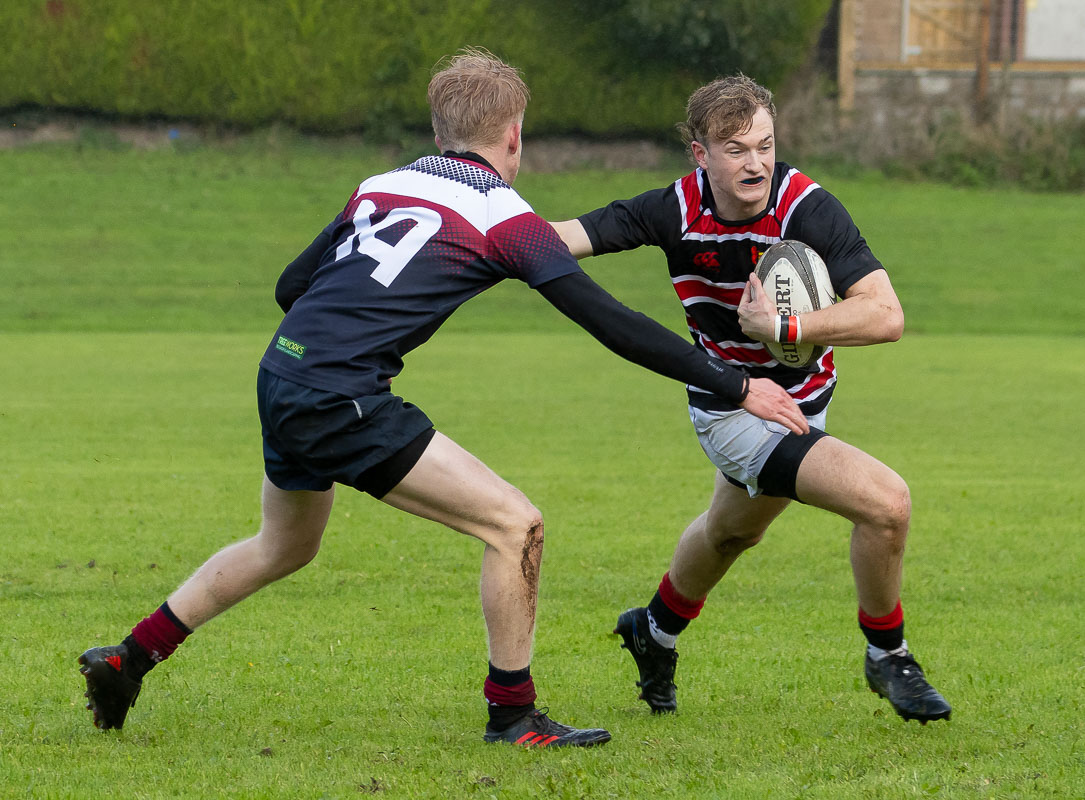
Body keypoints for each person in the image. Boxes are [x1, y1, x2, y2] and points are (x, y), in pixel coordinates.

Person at [77, 50, 810, 748]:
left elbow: (288, 289)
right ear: (514, 135)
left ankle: (128, 660)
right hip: (340, 396)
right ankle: (514, 718)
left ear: (439, 131)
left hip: (283, 374)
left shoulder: (380, 185)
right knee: (514, 527)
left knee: (284, 545)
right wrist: (736, 384)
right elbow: (611, 323)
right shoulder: (505, 217)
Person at [550, 74, 951, 724]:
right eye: (735, 148)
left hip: (805, 399)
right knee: (886, 505)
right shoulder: (671, 211)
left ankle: (653, 631)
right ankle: (889, 654)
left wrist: (788, 329)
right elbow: (560, 236)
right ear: (699, 152)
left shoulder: (806, 208)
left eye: (764, 144)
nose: (756, 161)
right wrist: (476, 226)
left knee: (731, 533)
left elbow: (885, 316)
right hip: (731, 412)